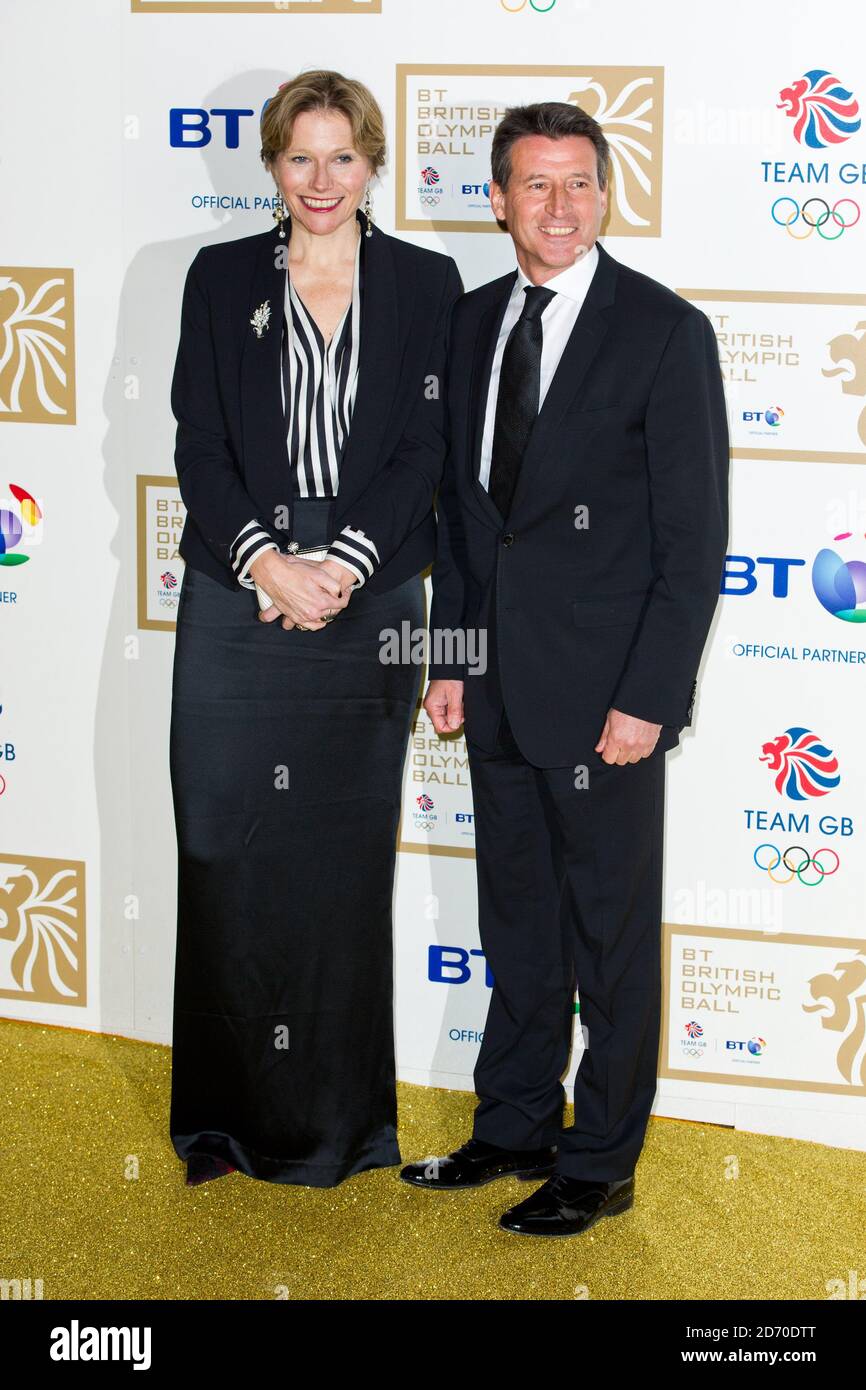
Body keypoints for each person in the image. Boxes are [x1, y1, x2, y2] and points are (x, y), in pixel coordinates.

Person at [400, 101, 729, 1235]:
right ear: (496, 199)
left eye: (578, 183)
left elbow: (693, 545)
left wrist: (648, 697)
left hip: (605, 705)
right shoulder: (470, 319)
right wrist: (448, 659)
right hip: (490, 687)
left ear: (606, 194)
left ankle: (597, 1160)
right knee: (517, 928)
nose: (558, 207)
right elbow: (458, 513)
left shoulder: (661, 331)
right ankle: (510, 1127)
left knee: (609, 938)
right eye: (534, 186)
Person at [168, 70, 461, 1188]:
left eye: (343, 156)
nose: (322, 179)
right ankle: (224, 1127)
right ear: (272, 166)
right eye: (301, 156)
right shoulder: (217, 276)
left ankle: (340, 1130)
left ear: (372, 162)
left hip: (369, 601)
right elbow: (198, 443)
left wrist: (335, 568)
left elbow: (425, 455)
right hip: (235, 595)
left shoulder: (426, 283)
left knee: (340, 868)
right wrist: (262, 560)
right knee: (222, 856)